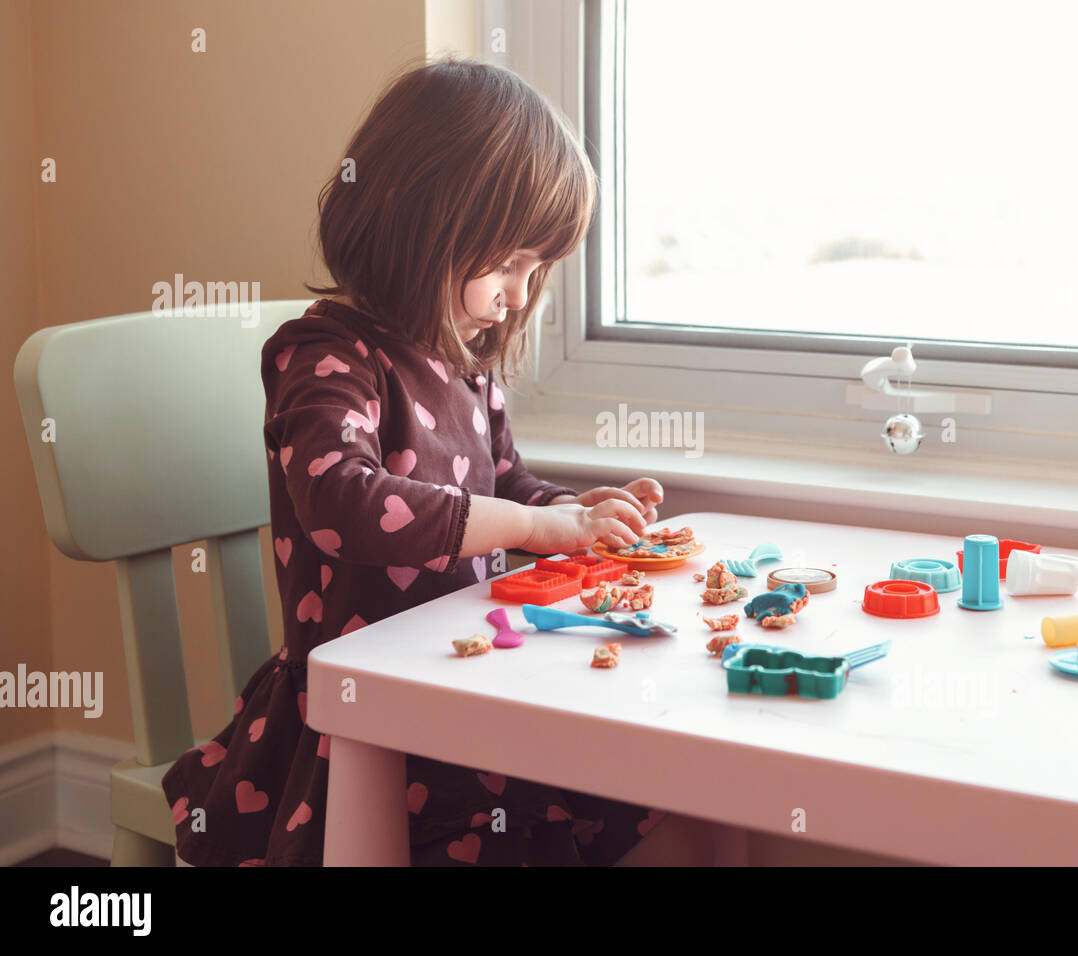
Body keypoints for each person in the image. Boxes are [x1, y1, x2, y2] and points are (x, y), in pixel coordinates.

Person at [161, 57, 716, 866]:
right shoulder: (326, 355)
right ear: (421, 223)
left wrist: (580, 515)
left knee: (663, 794)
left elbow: (507, 485)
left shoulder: (465, 363)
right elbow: (342, 502)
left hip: (468, 680)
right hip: (366, 715)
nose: (522, 295)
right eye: (508, 264)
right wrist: (534, 522)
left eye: (537, 270)